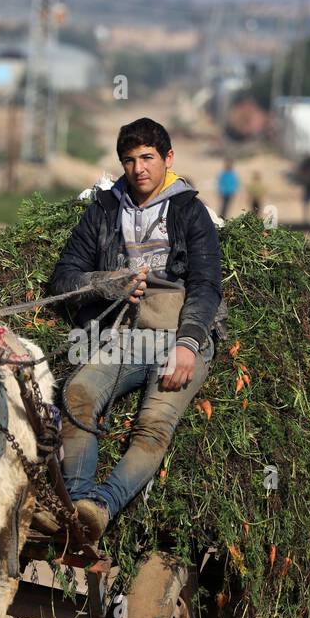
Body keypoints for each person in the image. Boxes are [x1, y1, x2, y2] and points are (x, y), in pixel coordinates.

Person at [42, 117, 225, 543]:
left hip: (179, 336)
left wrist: (187, 346)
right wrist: (106, 282)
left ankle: (102, 507)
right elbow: (63, 279)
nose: (138, 168)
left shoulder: (191, 212)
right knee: (77, 395)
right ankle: (77, 508)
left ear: (168, 159)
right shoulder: (103, 210)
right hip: (122, 337)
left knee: (153, 425)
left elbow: (205, 286)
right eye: (129, 160)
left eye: (147, 158)